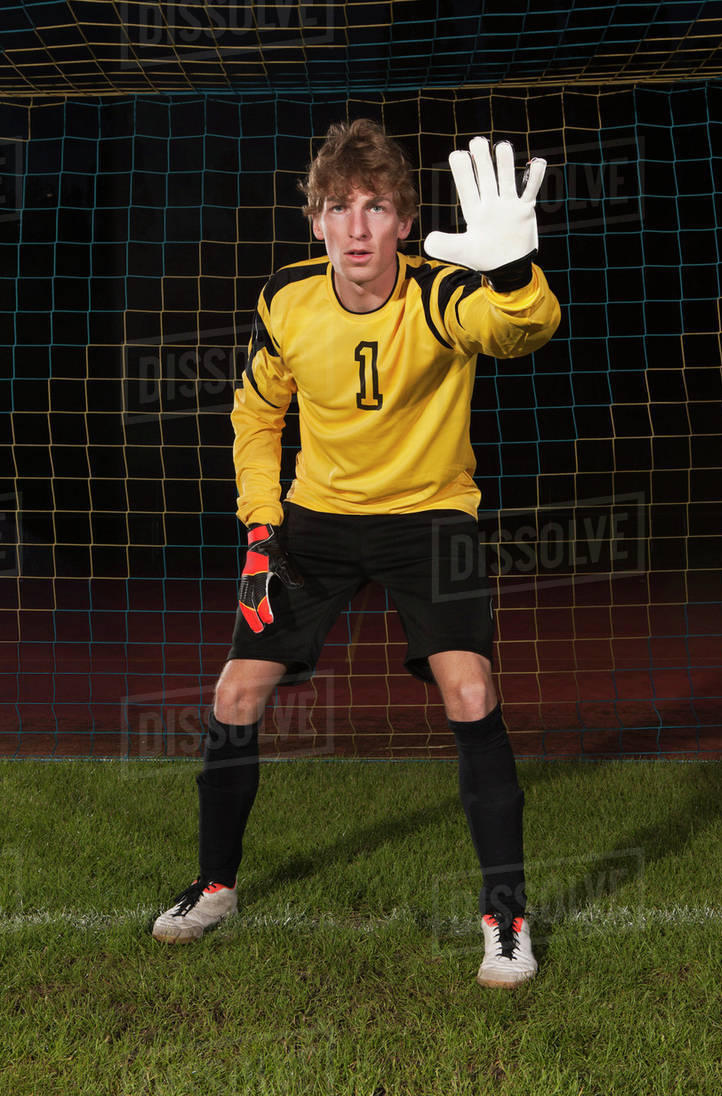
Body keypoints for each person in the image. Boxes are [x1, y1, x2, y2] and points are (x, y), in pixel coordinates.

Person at [152, 120, 561, 989]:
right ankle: (216, 884)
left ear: (406, 222)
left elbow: (522, 328)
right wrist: (262, 529)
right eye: (340, 207)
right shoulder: (287, 299)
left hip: (429, 517)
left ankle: (506, 917)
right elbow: (257, 417)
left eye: (377, 206)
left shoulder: (445, 294)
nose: (359, 226)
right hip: (318, 522)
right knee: (235, 691)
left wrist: (515, 272)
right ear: (316, 223)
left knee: (471, 686)